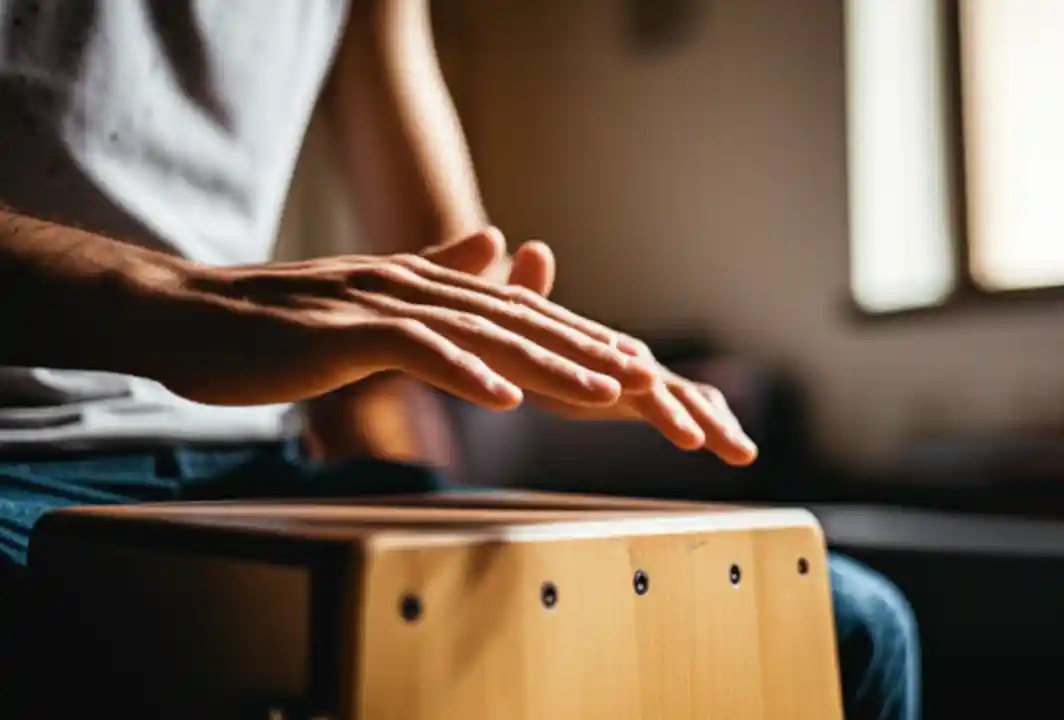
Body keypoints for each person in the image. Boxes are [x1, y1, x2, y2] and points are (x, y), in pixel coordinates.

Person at [0, 1, 918, 717]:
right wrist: (177, 307)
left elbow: (451, 259)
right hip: (18, 463)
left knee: (853, 627)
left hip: (241, 472)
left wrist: (535, 345)